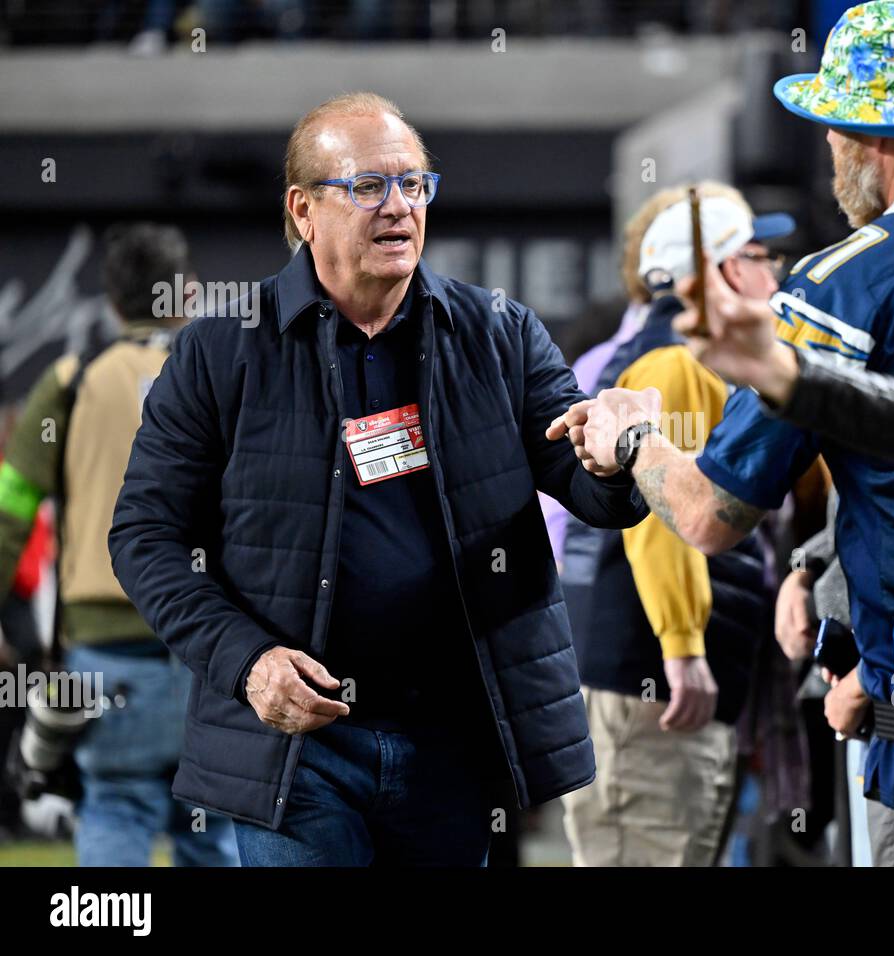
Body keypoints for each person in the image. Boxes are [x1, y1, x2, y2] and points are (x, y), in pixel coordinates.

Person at [552, 0, 894, 866]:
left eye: (830, 127)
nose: (828, 151)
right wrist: (822, 557)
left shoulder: (844, 284)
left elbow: (711, 515)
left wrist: (635, 443)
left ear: (867, 137)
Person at [108, 92, 648, 867]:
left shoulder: (498, 333)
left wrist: (615, 453)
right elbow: (145, 538)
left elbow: (587, 482)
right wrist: (247, 661)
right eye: (367, 187)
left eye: (414, 184)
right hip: (299, 752)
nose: (398, 208)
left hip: (456, 743)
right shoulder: (220, 353)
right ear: (303, 211)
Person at [559, 185, 786, 866]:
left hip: (649, 676)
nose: (772, 271)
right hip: (650, 682)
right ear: (715, 269)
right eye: (754, 254)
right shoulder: (677, 362)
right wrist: (683, 649)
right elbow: (663, 514)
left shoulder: (694, 358)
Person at [0, 223, 239, 866]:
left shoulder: (70, 384)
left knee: (114, 803)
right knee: (213, 822)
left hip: (102, 648)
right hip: (210, 647)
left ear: (110, 302)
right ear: (187, 295)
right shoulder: (222, 376)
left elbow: (9, 512)